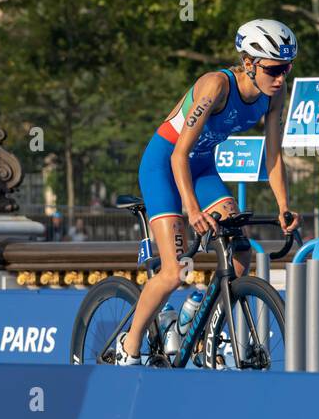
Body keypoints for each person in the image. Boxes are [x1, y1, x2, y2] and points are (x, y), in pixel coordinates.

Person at [114, 19, 301, 365]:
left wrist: (283, 205)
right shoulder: (216, 86)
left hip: (201, 168)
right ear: (249, 63)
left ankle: (199, 311)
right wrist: (192, 208)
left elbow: (273, 154)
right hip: (164, 166)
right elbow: (178, 154)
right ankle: (129, 344)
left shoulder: (275, 93)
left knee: (241, 253)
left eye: (287, 68)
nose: (281, 77)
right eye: (274, 69)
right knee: (174, 271)